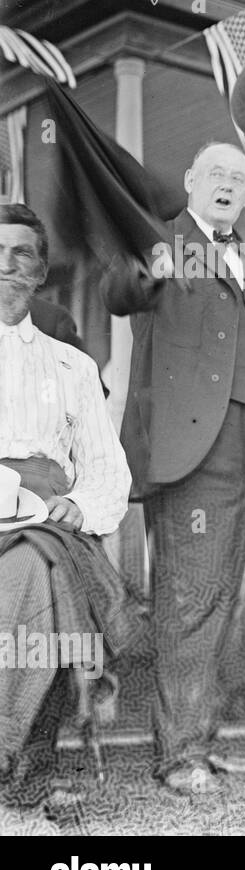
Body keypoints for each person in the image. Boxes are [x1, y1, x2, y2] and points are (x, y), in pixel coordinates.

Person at [102, 127, 245, 796]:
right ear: (190, 183)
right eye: (215, 172)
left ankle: (199, 739)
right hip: (193, 451)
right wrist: (149, 263)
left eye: (239, 180)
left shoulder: (244, 254)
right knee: (187, 599)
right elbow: (119, 289)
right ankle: (177, 752)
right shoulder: (163, 242)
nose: (227, 184)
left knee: (216, 597)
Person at [0, 205, 140, 829]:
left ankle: (23, 775)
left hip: (49, 531)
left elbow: (109, 472)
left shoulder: (72, 366)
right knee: (42, 576)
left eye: (21, 254)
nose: (6, 265)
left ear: (40, 270)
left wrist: (76, 503)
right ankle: (22, 772)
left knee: (44, 569)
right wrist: (20, 483)